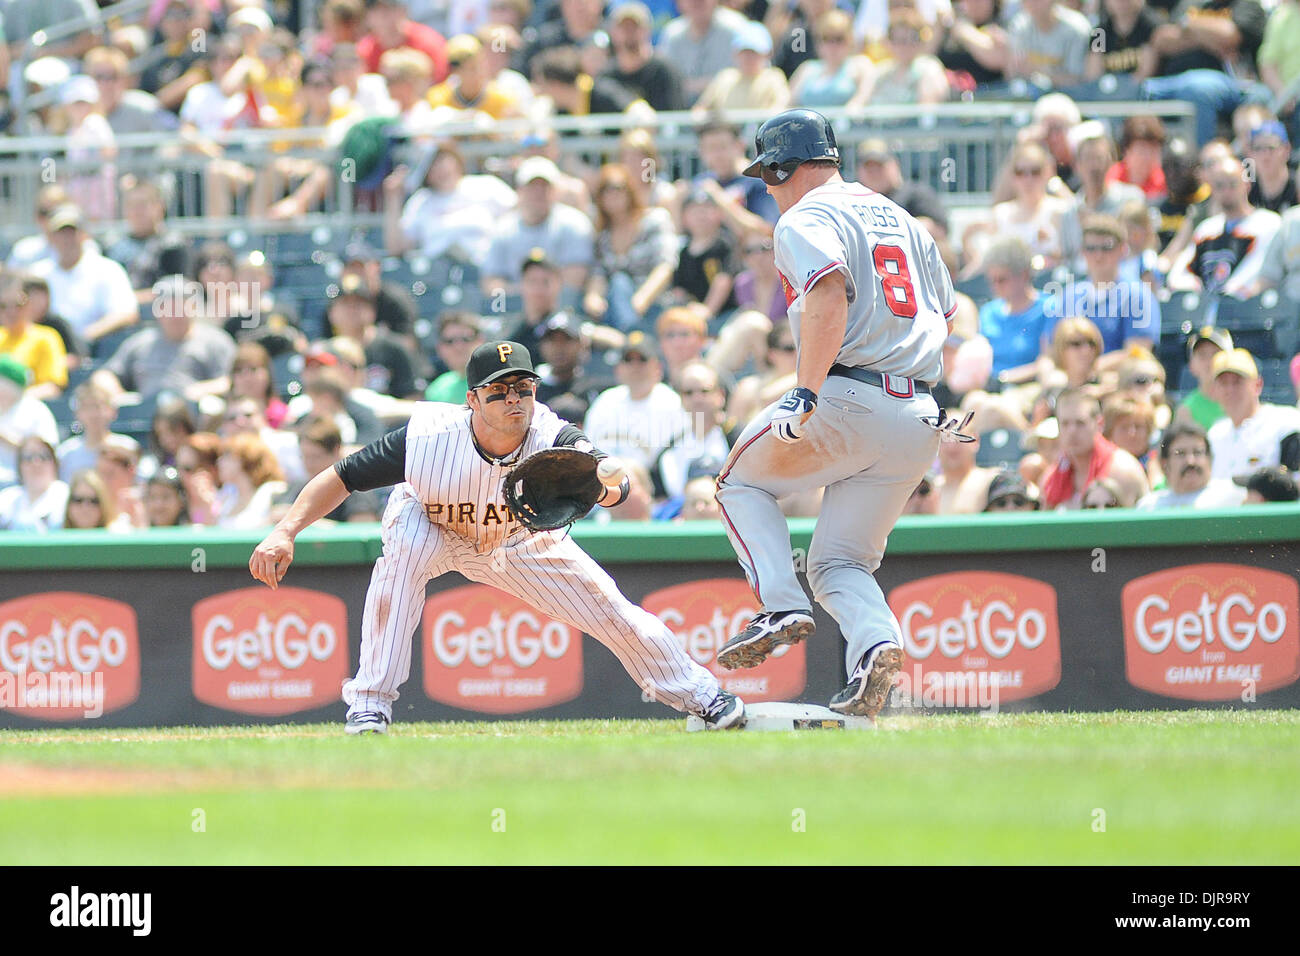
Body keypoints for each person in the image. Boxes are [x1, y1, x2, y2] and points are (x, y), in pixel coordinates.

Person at [249, 340, 746, 733]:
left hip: (514, 539)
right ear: (472, 399)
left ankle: (703, 696)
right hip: (432, 521)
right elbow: (342, 476)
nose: (513, 398)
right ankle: (370, 706)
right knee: (402, 560)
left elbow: (610, 482)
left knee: (610, 610)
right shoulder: (425, 435)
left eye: (523, 387)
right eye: (498, 389)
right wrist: (285, 530)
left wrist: (610, 486)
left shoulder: (552, 433)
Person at [713, 108, 962, 720]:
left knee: (738, 482)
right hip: (919, 413)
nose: (767, 192)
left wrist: (805, 388)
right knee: (839, 562)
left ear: (782, 168)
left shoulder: (807, 214)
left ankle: (780, 605)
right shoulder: (907, 220)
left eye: (768, 178)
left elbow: (826, 291)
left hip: (849, 394)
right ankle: (877, 645)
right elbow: (948, 315)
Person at [1040, 387, 1150, 509]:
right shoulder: (1051, 476)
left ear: (1099, 424)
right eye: (1065, 424)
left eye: (1080, 423)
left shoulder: (1122, 469)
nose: (1072, 431)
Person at [1207, 348, 1300, 480]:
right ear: (1214, 390)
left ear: (1257, 385)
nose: (1230, 389)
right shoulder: (1213, 435)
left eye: (1237, 382)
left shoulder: (1285, 423)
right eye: (1223, 383)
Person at [1135, 422, 1245, 510]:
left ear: (1209, 459)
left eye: (1197, 452)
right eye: (1181, 453)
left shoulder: (1233, 498)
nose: (1190, 461)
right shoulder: (1150, 507)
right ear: (1165, 464)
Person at [0, 437, 68, 531]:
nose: (36, 463)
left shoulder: (68, 496)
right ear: (19, 466)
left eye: (44, 456)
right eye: (28, 458)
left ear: (55, 463)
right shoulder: (6, 498)